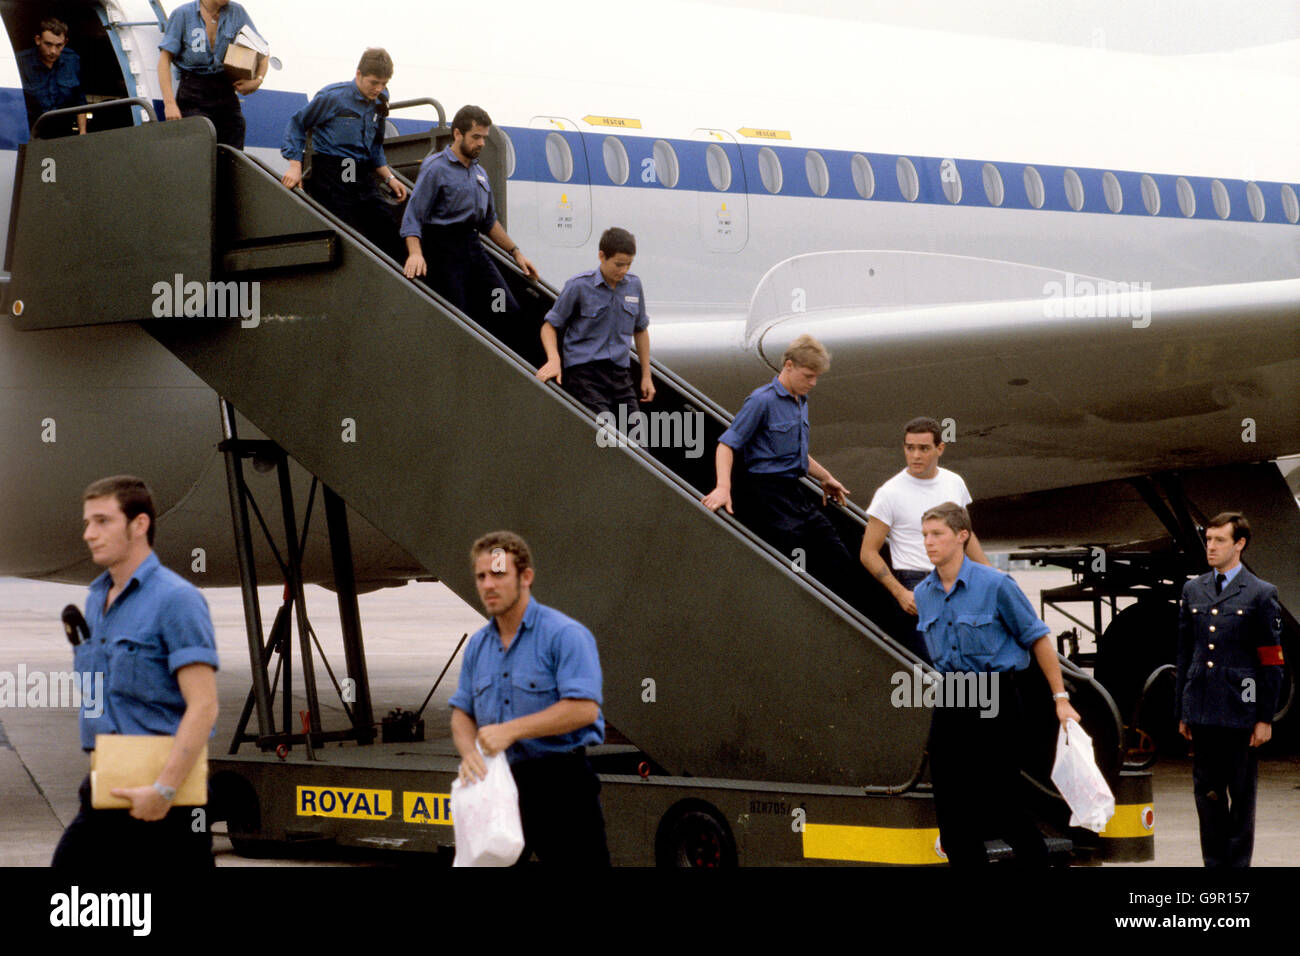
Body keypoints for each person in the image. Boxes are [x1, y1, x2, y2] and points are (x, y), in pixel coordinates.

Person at [51, 476, 220, 870]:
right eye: (87, 523)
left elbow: (204, 706)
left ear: (139, 524)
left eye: (102, 521)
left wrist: (163, 790)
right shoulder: (96, 600)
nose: (89, 534)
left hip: (170, 801)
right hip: (106, 786)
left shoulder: (177, 600)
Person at [914, 502, 1079, 867]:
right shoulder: (924, 593)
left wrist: (1061, 697)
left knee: (1001, 805)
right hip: (953, 696)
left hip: (995, 694)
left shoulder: (996, 584)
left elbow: (1037, 638)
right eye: (925, 535)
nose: (929, 542)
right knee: (952, 810)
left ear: (962, 536)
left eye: (937, 534)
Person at [449, 531, 609, 865]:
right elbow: (462, 713)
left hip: (562, 788)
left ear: (526, 577)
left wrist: (511, 730)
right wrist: (468, 754)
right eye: (481, 576)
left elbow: (583, 709)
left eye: (498, 574)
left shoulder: (565, 635)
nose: (488, 585)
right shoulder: (478, 646)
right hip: (499, 786)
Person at [702, 334, 863, 605]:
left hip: (794, 493)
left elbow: (795, 453)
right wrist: (723, 487)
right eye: (808, 376)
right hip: (768, 498)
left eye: (816, 377)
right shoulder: (761, 401)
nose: (813, 383)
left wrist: (825, 477)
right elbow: (726, 445)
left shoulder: (801, 401)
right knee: (792, 567)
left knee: (838, 555)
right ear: (788, 366)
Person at [1175, 512, 1285, 867]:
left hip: (1240, 713)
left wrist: (1262, 717)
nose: (1211, 546)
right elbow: (1185, 653)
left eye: (1219, 540)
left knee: (1240, 796)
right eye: (1208, 539)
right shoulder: (1194, 589)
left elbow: (1269, 662)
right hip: (1204, 710)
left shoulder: (1260, 593)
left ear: (1240, 544)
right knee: (1207, 796)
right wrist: (1183, 710)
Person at [862, 416, 992, 657]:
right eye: (909, 448)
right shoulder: (889, 492)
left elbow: (965, 535)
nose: (915, 456)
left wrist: (990, 574)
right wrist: (900, 592)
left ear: (939, 448)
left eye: (923, 448)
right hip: (916, 584)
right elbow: (868, 552)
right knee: (934, 665)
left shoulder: (955, 483)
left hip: (958, 581)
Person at [401, 105, 538, 323]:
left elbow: (490, 222)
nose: (482, 143)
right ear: (457, 134)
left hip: (472, 247)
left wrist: (516, 253)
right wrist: (415, 253)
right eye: (476, 137)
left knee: (504, 307)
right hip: (443, 249)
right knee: (458, 314)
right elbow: (413, 216)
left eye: (484, 137)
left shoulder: (479, 173)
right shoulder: (436, 168)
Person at [280, 48, 407, 261]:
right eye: (374, 82)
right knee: (346, 236)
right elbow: (297, 124)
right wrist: (295, 165)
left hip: (362, 175)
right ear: (359, 75)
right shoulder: (333, 97)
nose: (378, 89)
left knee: (388, 229)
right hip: (333, 174)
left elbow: (375, 145)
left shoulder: (380, 101)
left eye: (383, 83)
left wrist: (389, 177)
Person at [536, 227, 654, 416]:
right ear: (602, 256)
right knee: (605, 434)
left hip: (620, 375)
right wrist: (554, 359)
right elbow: (549, 326)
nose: (624, 270)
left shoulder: (633, 285)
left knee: (637, 440)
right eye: (618, 264)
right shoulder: (579, 286)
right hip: (585, 374)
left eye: (629, 265)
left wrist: (646, 375)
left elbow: (640, 330)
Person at [158, 0, 267, 149]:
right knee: (197, 148)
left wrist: (257, 80)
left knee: (234, 142)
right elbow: (164, 60)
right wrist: (169, 104)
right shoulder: (182, 14)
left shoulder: (237, 12)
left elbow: (263, 51)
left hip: (225, 90)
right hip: (193, 91)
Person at [18, 19, 87, 137]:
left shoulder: (72, 61)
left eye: (59, 45)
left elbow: (80, 101)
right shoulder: (21, 63)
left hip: (63, 134)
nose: (53, 51)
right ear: (38, 40)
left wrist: (82, 133)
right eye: (48, 44)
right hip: (31, 134)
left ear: (65, 43)